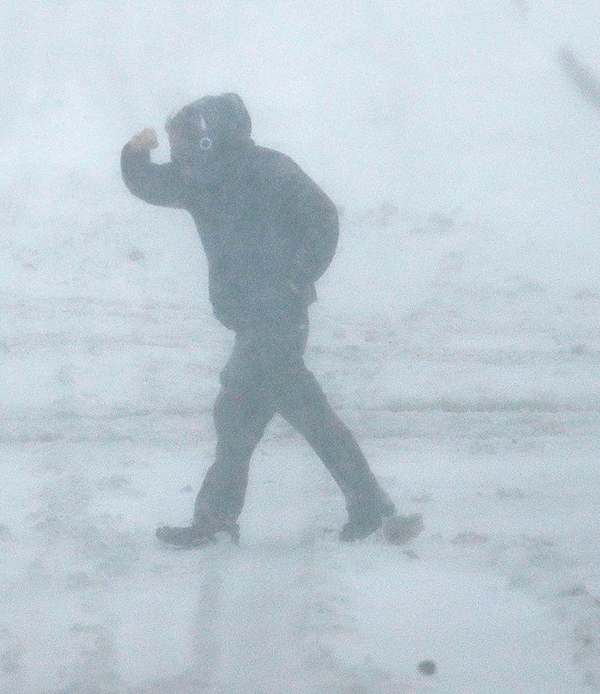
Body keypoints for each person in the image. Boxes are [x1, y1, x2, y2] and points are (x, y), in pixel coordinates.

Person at [122, 94, 417, 547]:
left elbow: (323, 219)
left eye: (183, 141)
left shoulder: (270, 171)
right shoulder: (202, 178)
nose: (176, 151)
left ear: (207, 139)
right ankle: (359, 506)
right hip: (252, 319)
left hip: (278, 317)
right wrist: (135, 155)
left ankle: (225, 519)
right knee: (244, 419)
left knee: (282, 416)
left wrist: (296, 278)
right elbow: (149, 185)